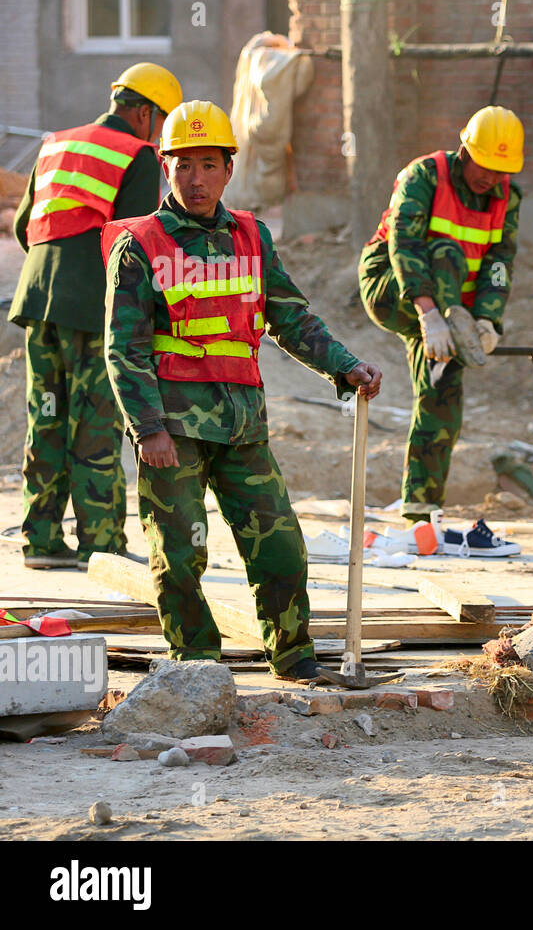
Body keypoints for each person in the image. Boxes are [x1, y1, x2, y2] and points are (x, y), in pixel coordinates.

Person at [103, 101, 383, 681]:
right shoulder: (141, 245)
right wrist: (147, 429)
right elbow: (124, 349)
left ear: (229, 168)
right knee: (180, 557)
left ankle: (294, 657)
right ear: (165, 166)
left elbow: (291, 318)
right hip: (173, 433)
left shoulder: (253, 236)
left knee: (281, 549)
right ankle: (197, 669)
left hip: (242, 427)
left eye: (209, 164)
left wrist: (345, 365)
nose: (196, 178)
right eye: (184, 165)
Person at [10, 63, 182, 569]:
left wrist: (58, 277)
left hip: (39, 302)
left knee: (46, 417)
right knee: (97, 423)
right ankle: (100, 543)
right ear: (145, 113)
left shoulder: (57, 142)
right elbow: (132, 242)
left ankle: (39, 542)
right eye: (162, 120)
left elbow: (26, 226)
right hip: (92, 309)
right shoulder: (140, 154)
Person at [357, 105, 524, 525]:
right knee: (446, 251)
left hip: (454, 312)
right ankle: (447, 330)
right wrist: (429, 315)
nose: (490, 177)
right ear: (465, 149)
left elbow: (498, 264)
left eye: (500, 171)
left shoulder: (508, 199)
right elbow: (405, 245)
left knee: (443, 396)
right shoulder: (423, 176)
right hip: (391, 288)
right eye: (484, 165)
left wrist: (487, 320)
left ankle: (421, 507)